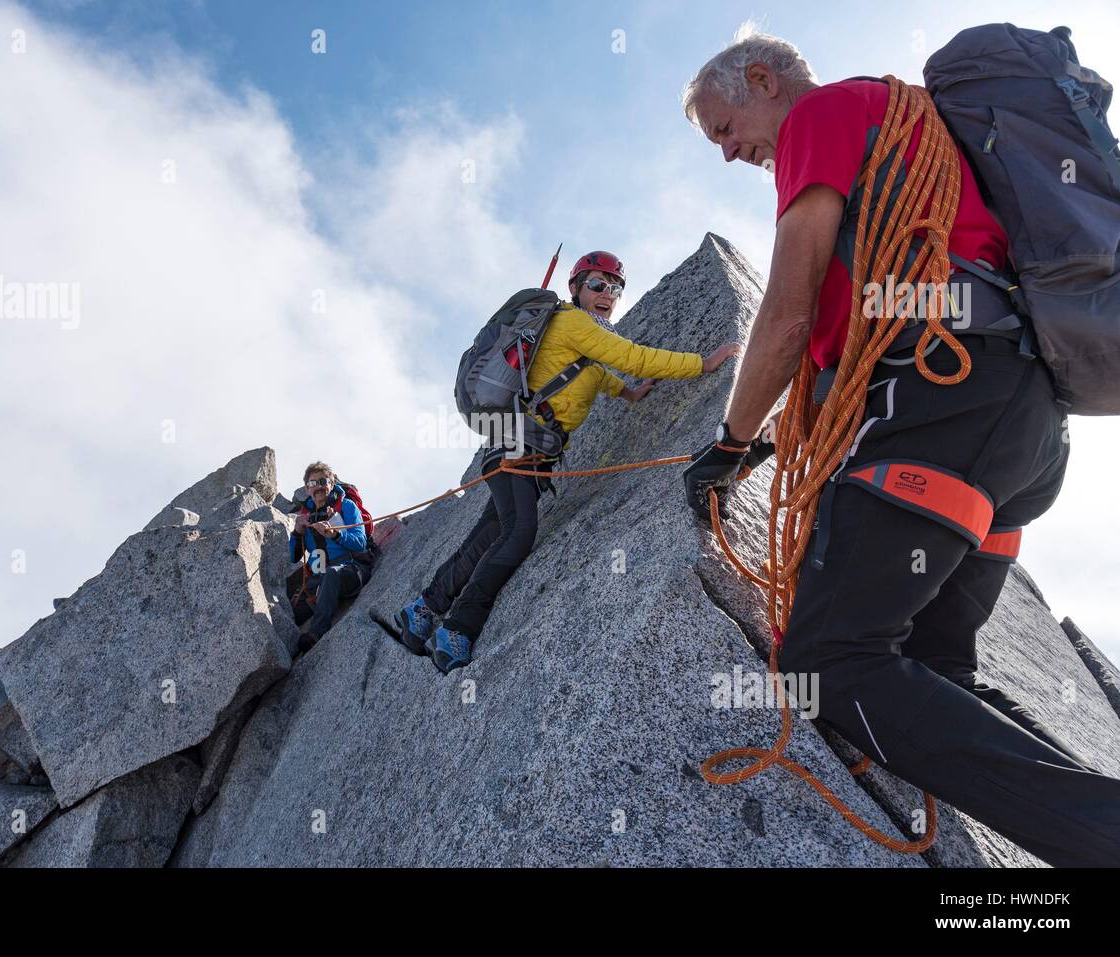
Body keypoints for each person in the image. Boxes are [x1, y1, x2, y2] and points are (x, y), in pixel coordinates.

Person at [680, 29, 1120, 866]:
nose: (730, 153)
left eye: (723, 129)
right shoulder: (902, 124)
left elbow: (787, 313)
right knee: (933, 667)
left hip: (940, 399)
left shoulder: (823, 115)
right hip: (1015, 428)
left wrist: (728, 444)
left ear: (763, 79)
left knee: (828, 662)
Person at [397, 251, 741, 674]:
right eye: (598, 284)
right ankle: (458, 628)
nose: (607, 295)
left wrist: (631, 394)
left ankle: (422, 610)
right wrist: (702, 364)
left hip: (521, 451)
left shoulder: (579, 342)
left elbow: (599, 378)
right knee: (519, 534)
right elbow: (633, 358)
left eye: (615, 289)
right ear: (575, 288)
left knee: (490, 533)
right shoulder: (573, 323)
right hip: (517, 448)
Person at [288, 462, 372, 652]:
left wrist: (335, 534)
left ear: (332, 484)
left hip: (352, 570)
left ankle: (316, 632)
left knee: (332, 574)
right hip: (318, 581)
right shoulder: (307, 515)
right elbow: (294, 558)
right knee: (290, 614)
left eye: (323, 481)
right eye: (312, 483)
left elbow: (360, 542)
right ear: (307, 489)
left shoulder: (347, 507)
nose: (318, 486)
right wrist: (297, 532)